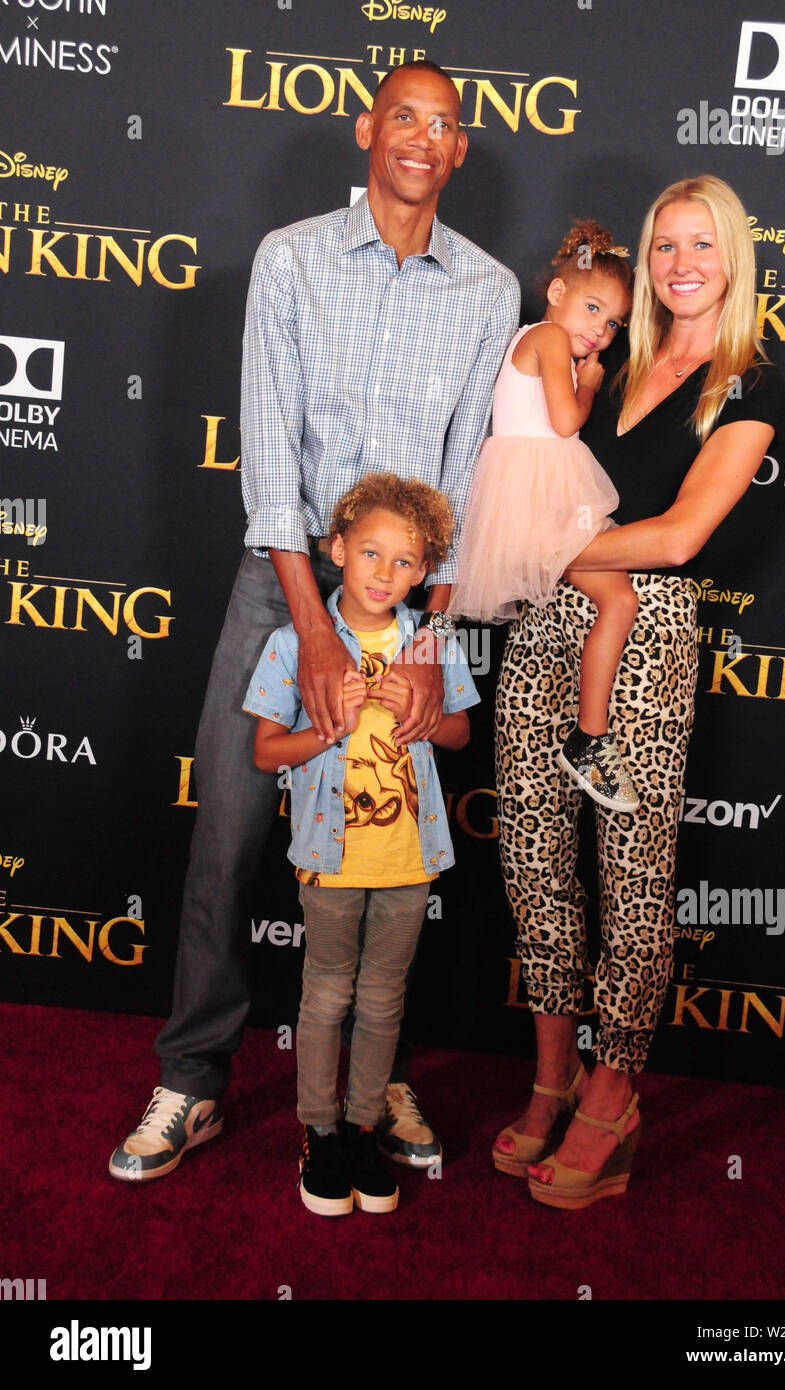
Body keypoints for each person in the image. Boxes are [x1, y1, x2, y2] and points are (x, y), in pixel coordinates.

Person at [108, 60, 519, 1183]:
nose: (422, 138)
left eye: (444, 125)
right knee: (229, 836)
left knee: (392, 848)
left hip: (410, 613)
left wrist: (428, 638)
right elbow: (270, 448)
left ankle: (375, 1083)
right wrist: (316, 625)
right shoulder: (290, 259)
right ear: (366, 130)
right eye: (404, 117)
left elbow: (465, 477)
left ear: (460, 150)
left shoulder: (488, 290)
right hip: (283, 587)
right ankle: (193, 1079)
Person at [493, 175, 785, 1208]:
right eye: (665, 244)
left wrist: (539, 549)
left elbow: (677, 537)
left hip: (643, 633)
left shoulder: (748, 383)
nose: (680, 264)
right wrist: (534, 555)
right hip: (544, 622)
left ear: (733, 255)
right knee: (533, 854)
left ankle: (613, 1092)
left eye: (701, 244)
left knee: (631, 873)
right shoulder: (607, 358)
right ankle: (552, 1078)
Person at [244, 475, 479, 1216]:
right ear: (337, 549)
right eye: (371, 553)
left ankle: (362, 1129)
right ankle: (319, 1133)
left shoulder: (433, 643)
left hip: (410, 859)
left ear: (424, 571)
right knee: (325, 997)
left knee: (382, 1000)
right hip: (329, 857)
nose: (384, 573)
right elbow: (265, 753)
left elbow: (459, 734)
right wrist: (329, 729)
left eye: (404, 562)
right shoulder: (294, 644)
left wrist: (423, 716)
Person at [449, 219, 639, 812]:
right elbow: (564, 422)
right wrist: (591, 385)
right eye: (592, 308)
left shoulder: (529, 336)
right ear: (556, 293)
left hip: (528, 499)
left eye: (614, 323)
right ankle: (589, 738)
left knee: (606, 603)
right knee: (621, 601)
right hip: (538, 502)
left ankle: (583, 735)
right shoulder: (553, 339)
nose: (601, 330)